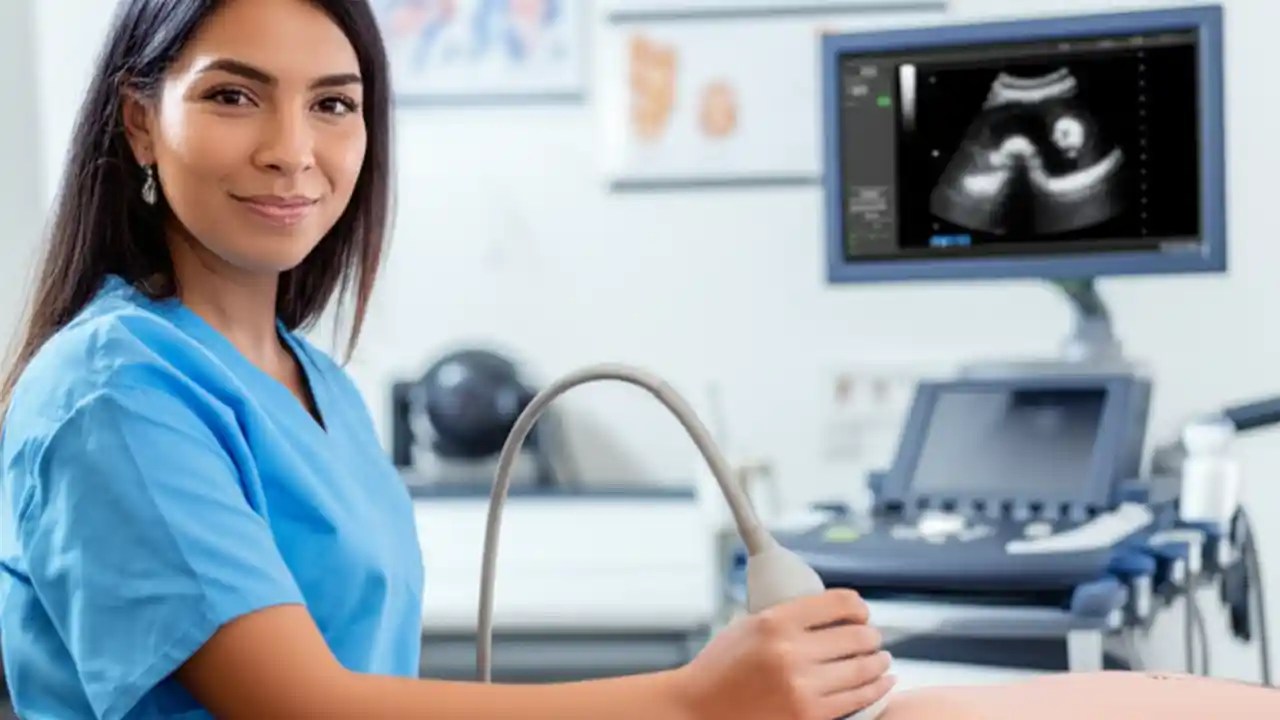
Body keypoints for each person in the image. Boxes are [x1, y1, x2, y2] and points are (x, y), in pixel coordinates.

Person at [0, 1, 893, 718]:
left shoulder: (319, 385)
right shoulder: (111, 398)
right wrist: (697, 701)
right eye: (234, 96)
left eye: (333, 103)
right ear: (141, 122)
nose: (291, 151)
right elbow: (304, 707)